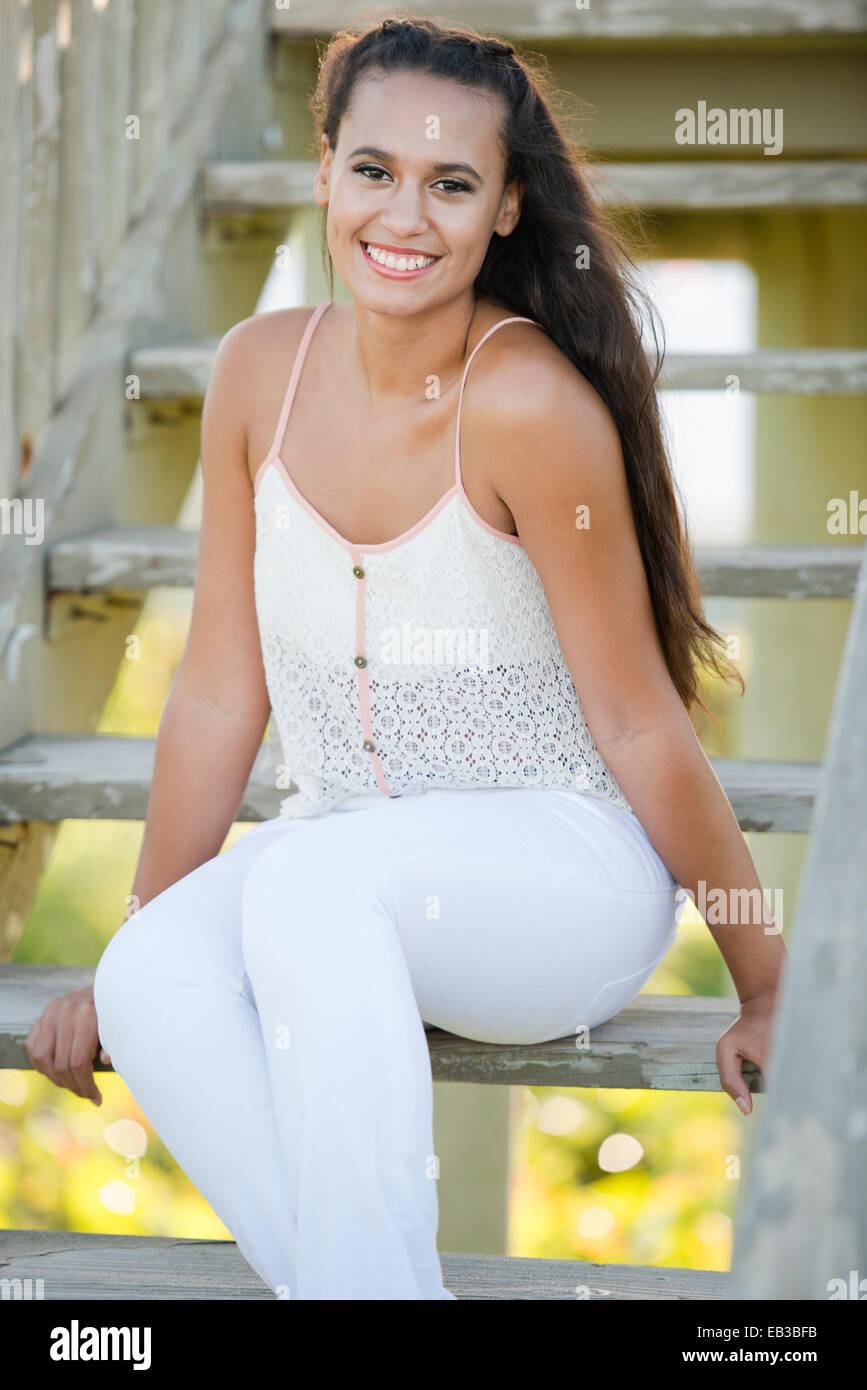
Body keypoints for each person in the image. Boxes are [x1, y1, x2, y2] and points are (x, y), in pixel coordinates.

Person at [25, 16, 786, 1300]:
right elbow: (217, 687)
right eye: (374, 169)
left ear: (505, 207)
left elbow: (645, 722)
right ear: (324, 173)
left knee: (310, 886)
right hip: (338, 869)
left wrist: (767, 981)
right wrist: (148, 932)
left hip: (562, 877)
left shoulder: (526, 403)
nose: (404, 215)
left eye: (450, 183)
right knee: (153, 970)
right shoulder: (257, 373)